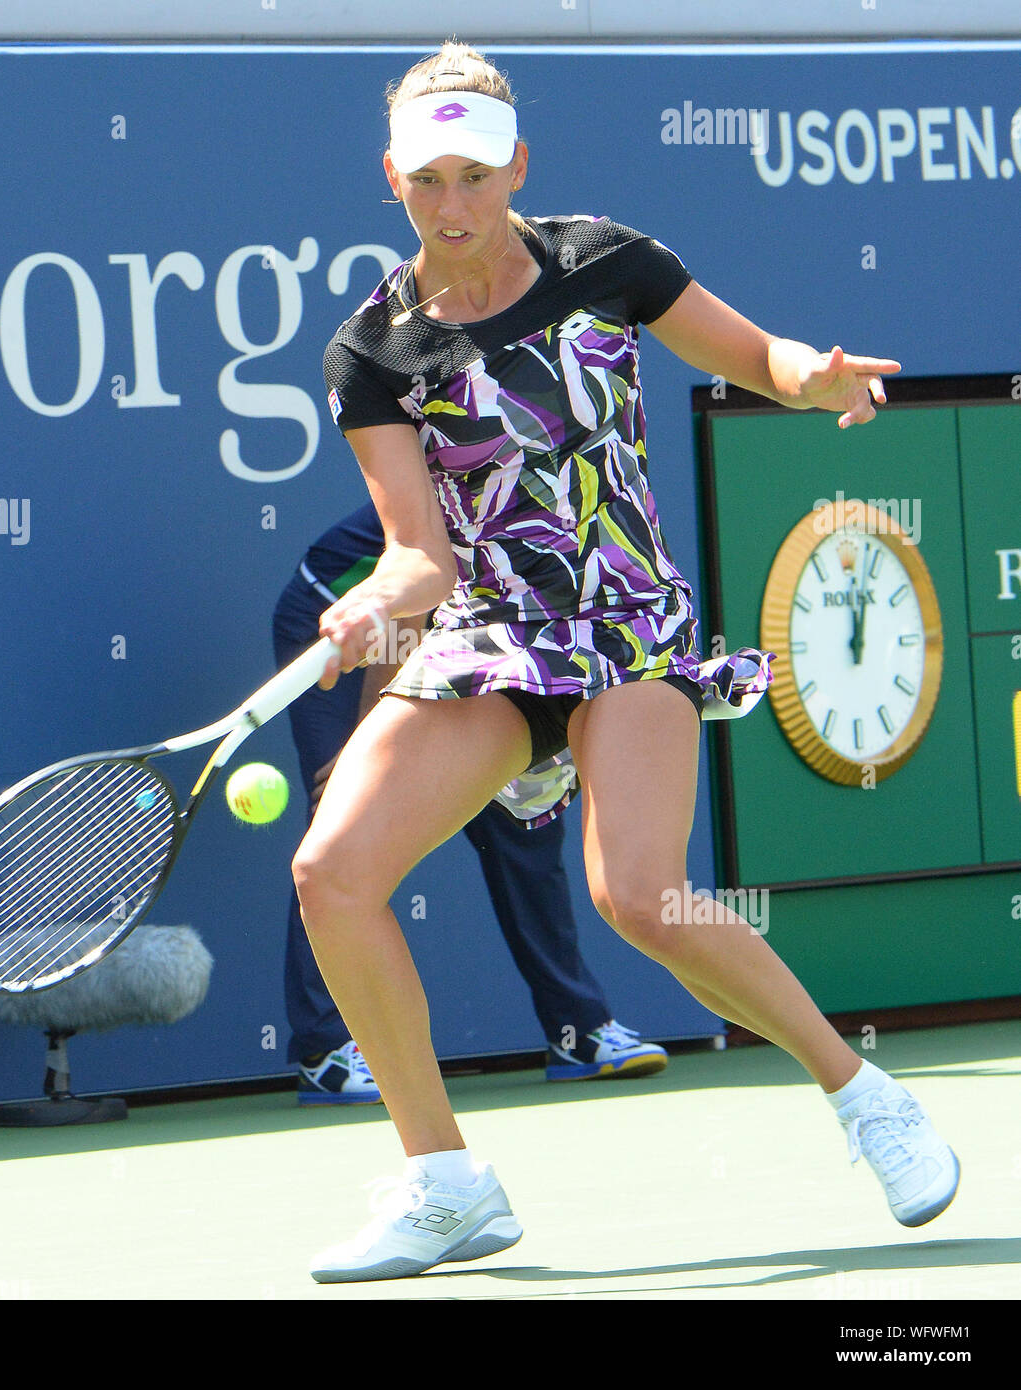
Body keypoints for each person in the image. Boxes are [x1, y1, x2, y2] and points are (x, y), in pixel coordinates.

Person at [295, 42, 959, 1283]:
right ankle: (444, 1184)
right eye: (428, 178)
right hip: (489, 637)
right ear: (390, 178)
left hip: (622, 625)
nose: (454, 206)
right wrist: (370, 607)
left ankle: (866, 1097)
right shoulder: (371, 351)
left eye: (476, 176)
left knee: (636, 895)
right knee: (331, 870)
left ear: (517, 168)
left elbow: (753, 356)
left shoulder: (602, 260)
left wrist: (809, 378)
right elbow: (415, 555)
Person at [273, 501, 671, 1105]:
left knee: (522, 816)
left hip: (460, 628)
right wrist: (366, 748)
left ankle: (578, 1030)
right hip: (341, 622)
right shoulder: (470, 475)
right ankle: (325, 1048)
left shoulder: (578, 498)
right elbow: (405, 611)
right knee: (346, 825)